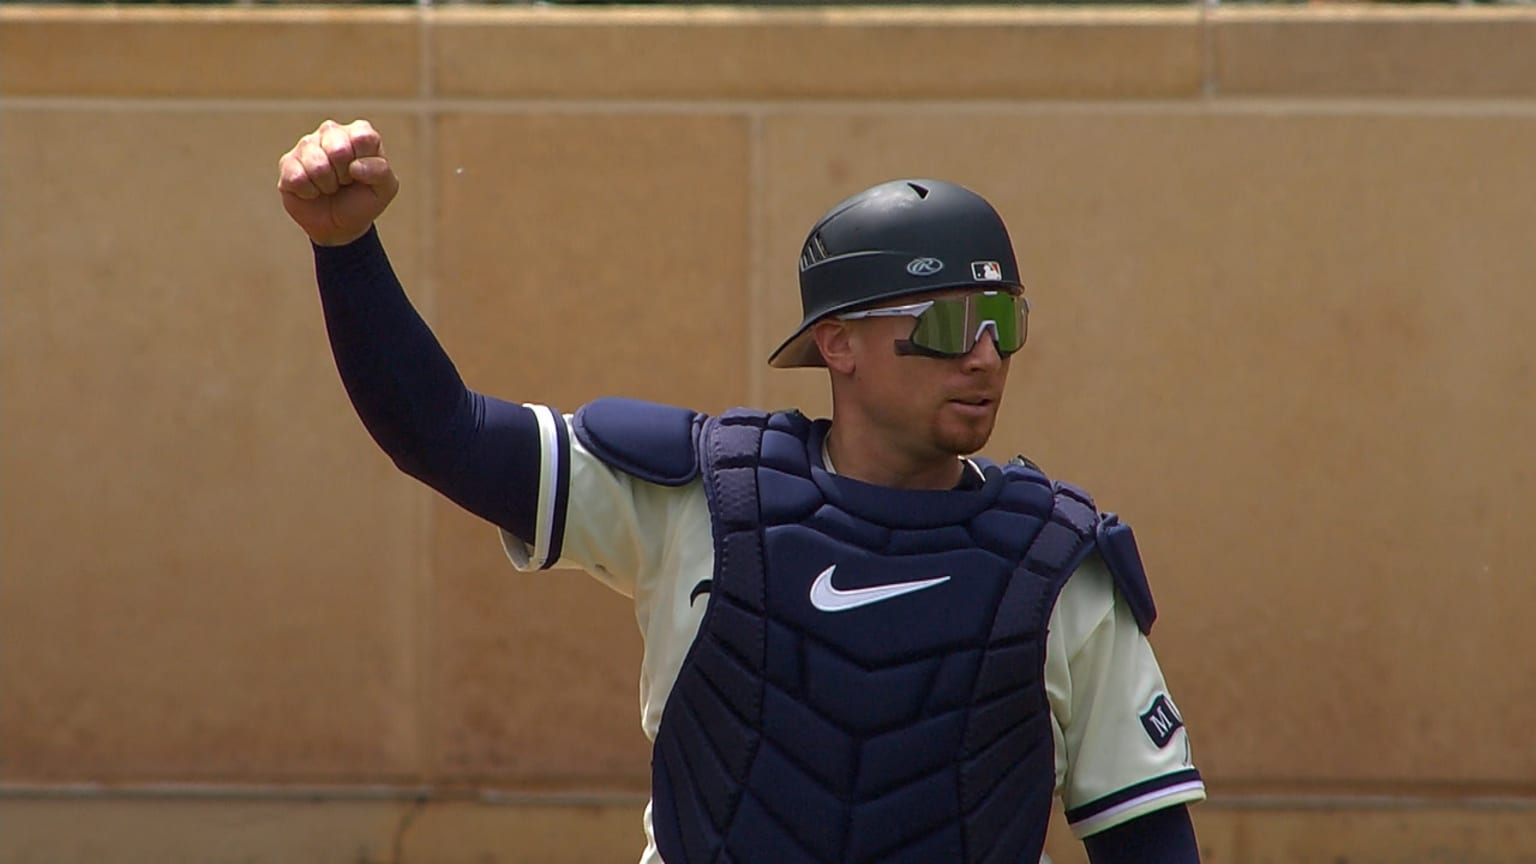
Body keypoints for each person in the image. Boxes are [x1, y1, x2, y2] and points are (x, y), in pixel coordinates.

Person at [277, 118, 1206, 864]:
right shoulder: (702, 497)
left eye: (1004, 320)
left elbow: (1147, 838)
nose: (986, 355)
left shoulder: (1059, 564)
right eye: (949, 322)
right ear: (836, 344)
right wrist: (348, 248)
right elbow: (440, 433)